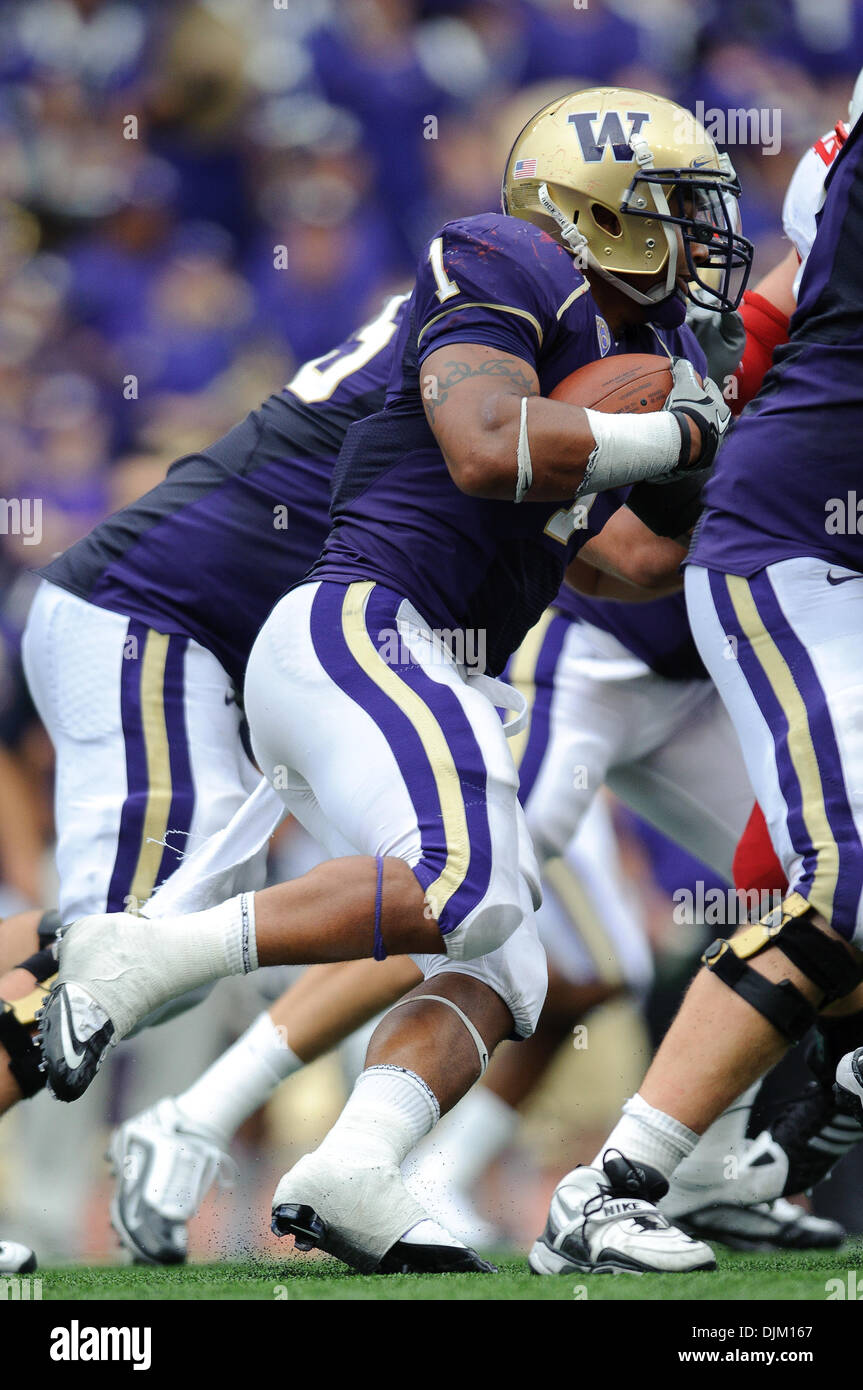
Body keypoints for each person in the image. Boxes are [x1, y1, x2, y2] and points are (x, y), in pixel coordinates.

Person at [39, 87, 741, 1275]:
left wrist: (736, 489)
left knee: (505, 957)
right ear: (597, 212)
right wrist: (668, 437)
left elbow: (626, 557)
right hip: (355, 625)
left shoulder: (650, 353)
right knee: (460, 874)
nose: (701, 236)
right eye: (678, 209)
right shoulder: (503, 252)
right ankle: (154, 954)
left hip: (409, 654)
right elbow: (483, 440)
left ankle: (358, 1163)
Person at [530, 103, 863, 1277]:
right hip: (793, 549)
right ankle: (608, 1185)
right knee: (844, 873)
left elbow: (778, 290)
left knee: (814, 870)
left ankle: (760, 1143)